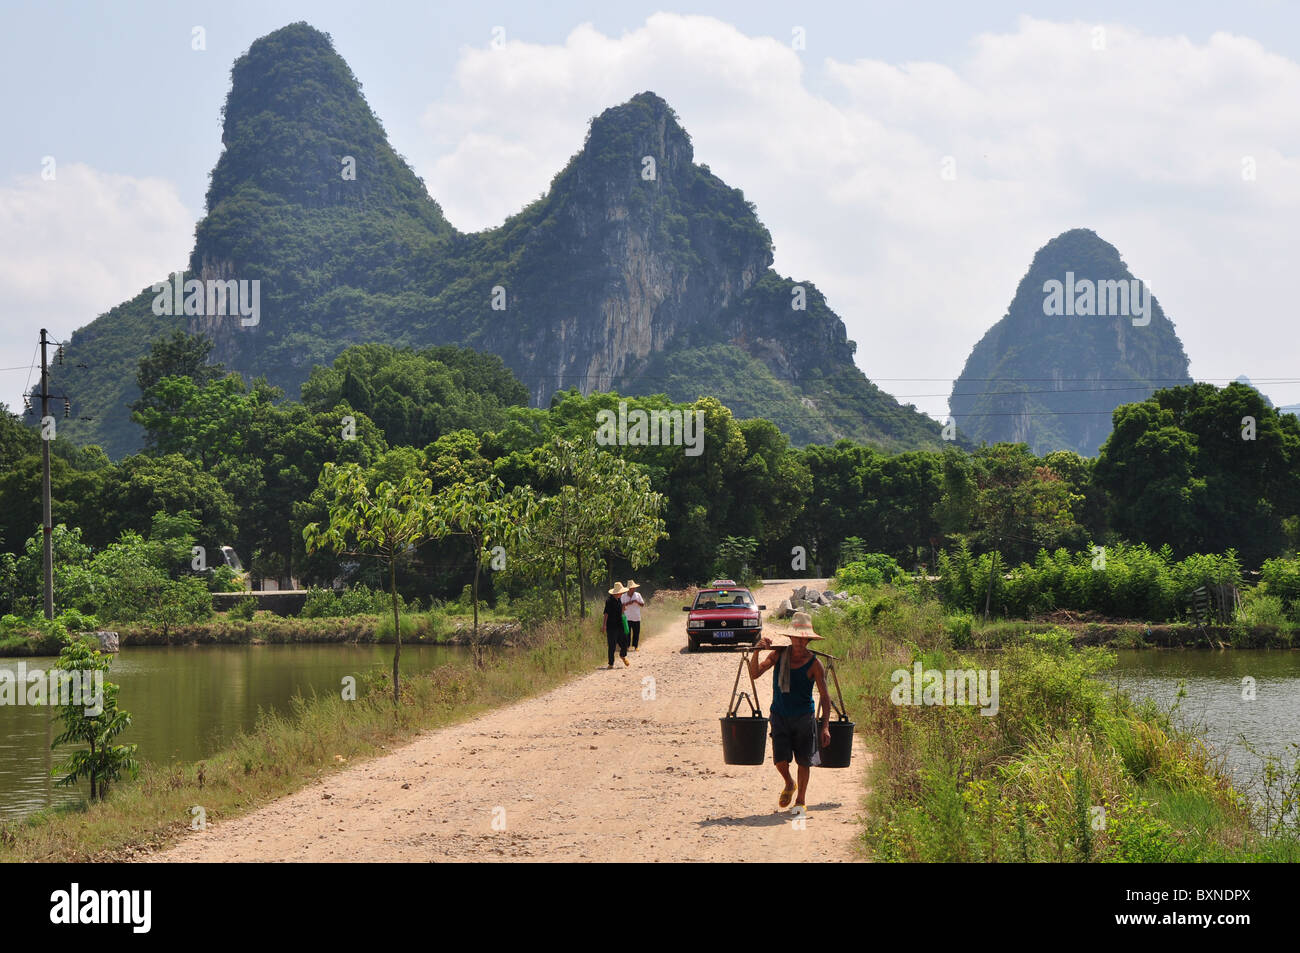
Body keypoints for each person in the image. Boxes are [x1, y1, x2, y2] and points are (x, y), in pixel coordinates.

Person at [747, 611, 831, 817]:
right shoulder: (778, 655)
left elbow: (825, 696)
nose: (800, 644)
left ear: (809, 641)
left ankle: (801, 800)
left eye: (804, 640)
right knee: (780, 760)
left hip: (804, 717)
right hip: (779, 715)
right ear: (791, 638)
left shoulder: (814, 665)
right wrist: (757, 651)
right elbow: (755, 673)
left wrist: (826, 726)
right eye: (797, 639)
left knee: (804, 761)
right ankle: (789, 782)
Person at [603, 582, 631, 668]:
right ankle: (611, 663)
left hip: (620, 625)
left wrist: (623, 609)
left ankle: (623, 655)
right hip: (611, 626)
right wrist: (604, 625)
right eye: (621, 592)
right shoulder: (609, 601)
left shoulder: (619, 600)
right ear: (616, 593)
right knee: (612, 645)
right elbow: (606, 613)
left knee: (624, 642)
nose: (622, 593)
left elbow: (621, 613)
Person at [621, 580, 646, 651]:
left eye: (634, 587)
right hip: (627, 617)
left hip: (636, 617)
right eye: (633, 588)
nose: (634, 589)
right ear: (629, 589)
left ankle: (636, 646)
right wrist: (629, 603)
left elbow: (643, 604)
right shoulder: (623, 596)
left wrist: (636, 602)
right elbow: (621, 605)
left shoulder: (638, 595)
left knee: (636, 633)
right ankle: (627, 646)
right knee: (627, 633)